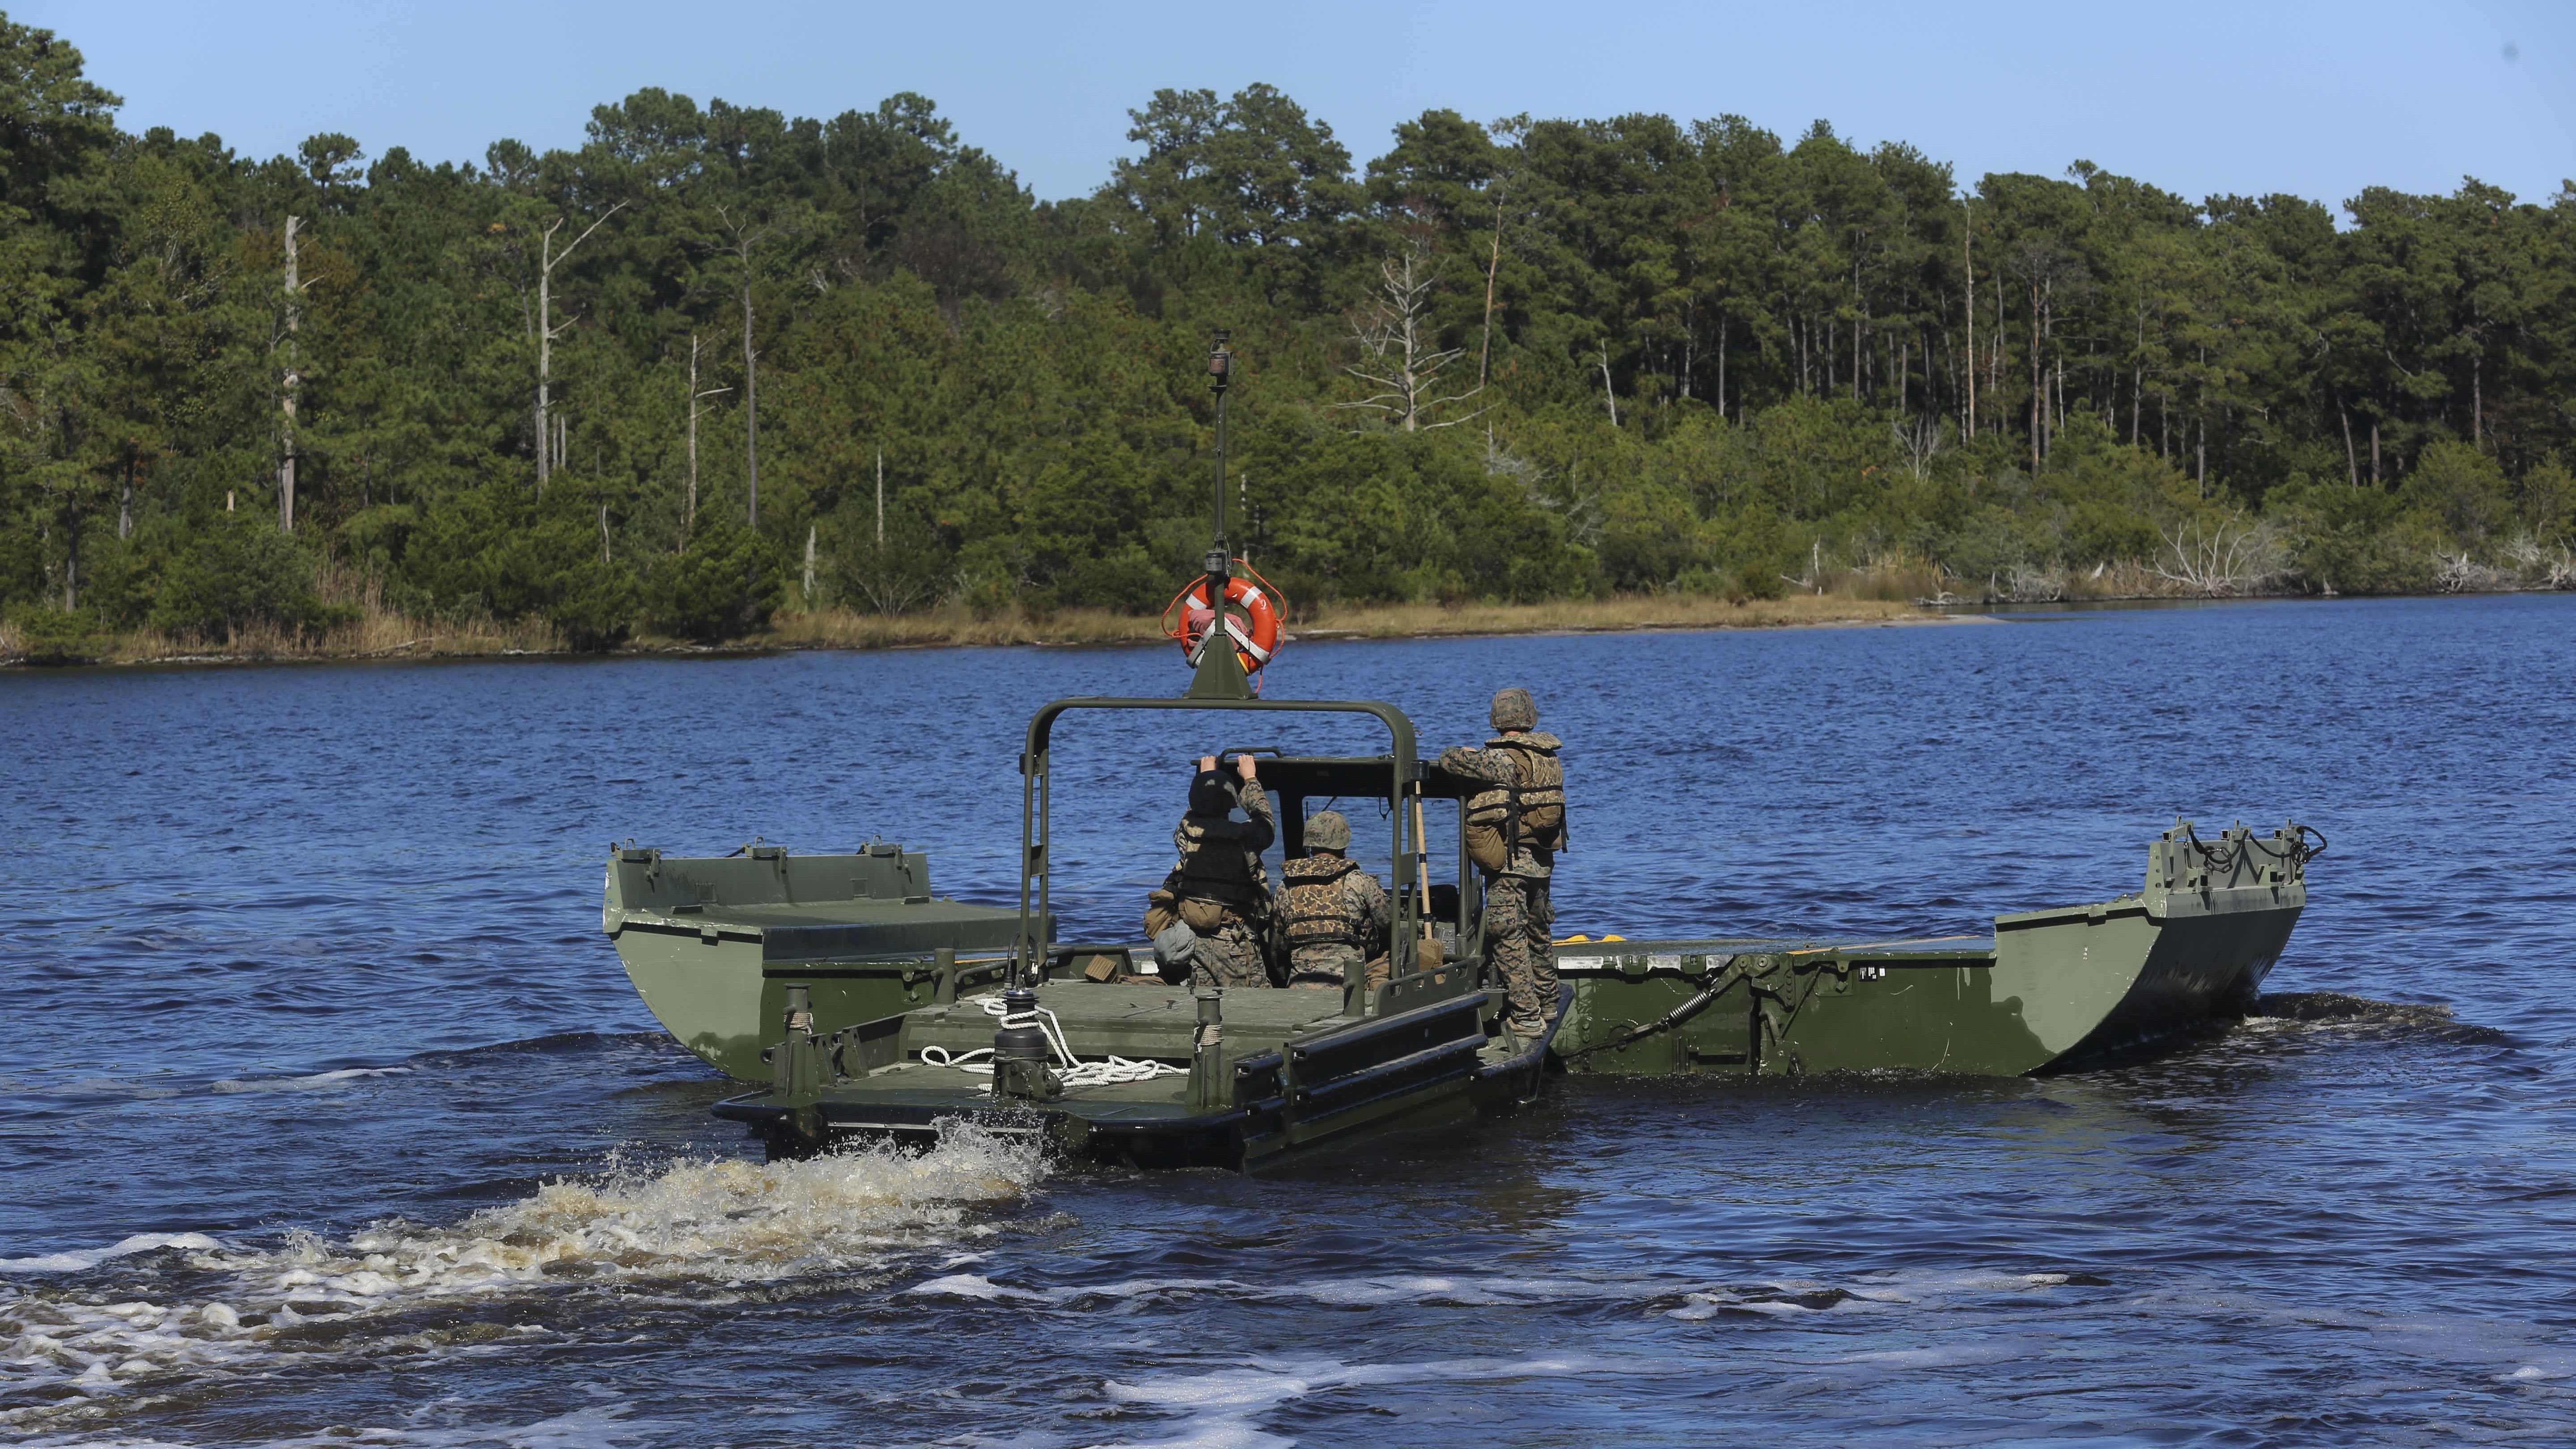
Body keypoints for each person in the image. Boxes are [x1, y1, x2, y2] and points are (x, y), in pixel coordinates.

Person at [1437, 687, 1567, 1040]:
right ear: (1530, 717)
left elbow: (1449, 760)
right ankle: (1549, 1000)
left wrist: (1465, 754)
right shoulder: (1548, 756)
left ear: (1498, 720)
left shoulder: (1505, 759)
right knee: (1538, 933)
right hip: (1541, 862)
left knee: (1506, 935)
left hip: (1511, 864)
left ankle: (1526, 1016)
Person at [1143, 752, 1275, 988]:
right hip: (1235, 943)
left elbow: (1193, 816)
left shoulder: (1186, 835)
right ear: (1230, 804)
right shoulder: (1245, 839)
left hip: (1192, 943)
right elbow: (1265, 821)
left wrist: (1206, 778)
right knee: (1253, 1005)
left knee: (1201, 1002)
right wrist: (1251, 780)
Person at [1272, 809, 1389, 990]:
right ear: (1344, 843)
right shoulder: (1358, 880)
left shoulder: (1285, 886)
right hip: (1350, 989)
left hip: (1298, 988)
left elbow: (1277, 946)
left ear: (1310, 843)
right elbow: (1388, 922)